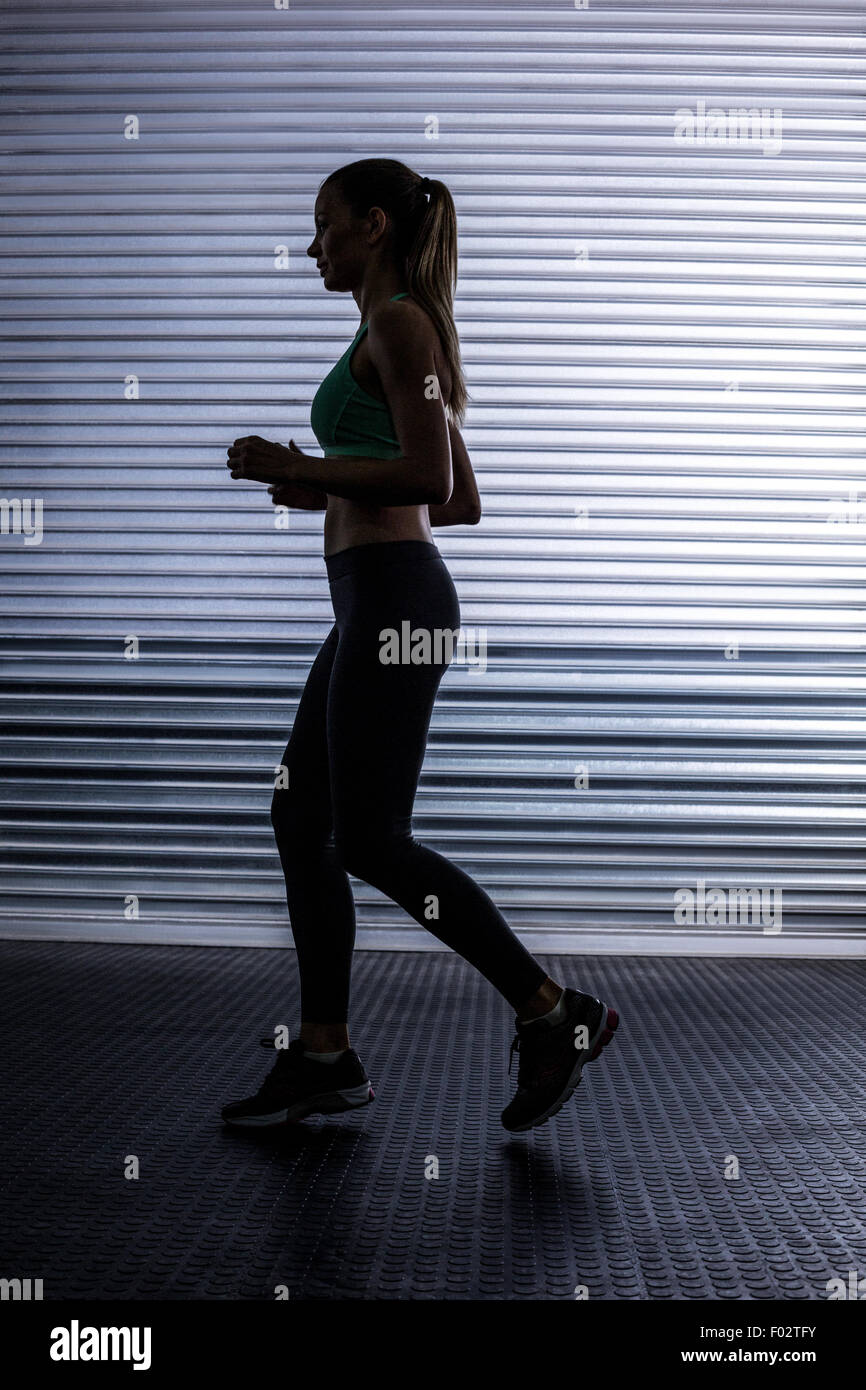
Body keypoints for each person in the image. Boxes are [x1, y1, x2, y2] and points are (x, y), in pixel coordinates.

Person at [221, 159, 618, 1134]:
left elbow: (434, 481)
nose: (312, 245)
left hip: (395, 600)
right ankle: (323, 1054)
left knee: (363, 836)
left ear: (371, 224)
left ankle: (551, 1011)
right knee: (298, 814)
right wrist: (326, 488)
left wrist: (304, 463)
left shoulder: (400, 322)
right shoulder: (391, 328)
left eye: (323, 227)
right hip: (373, 599)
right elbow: (463, 495)